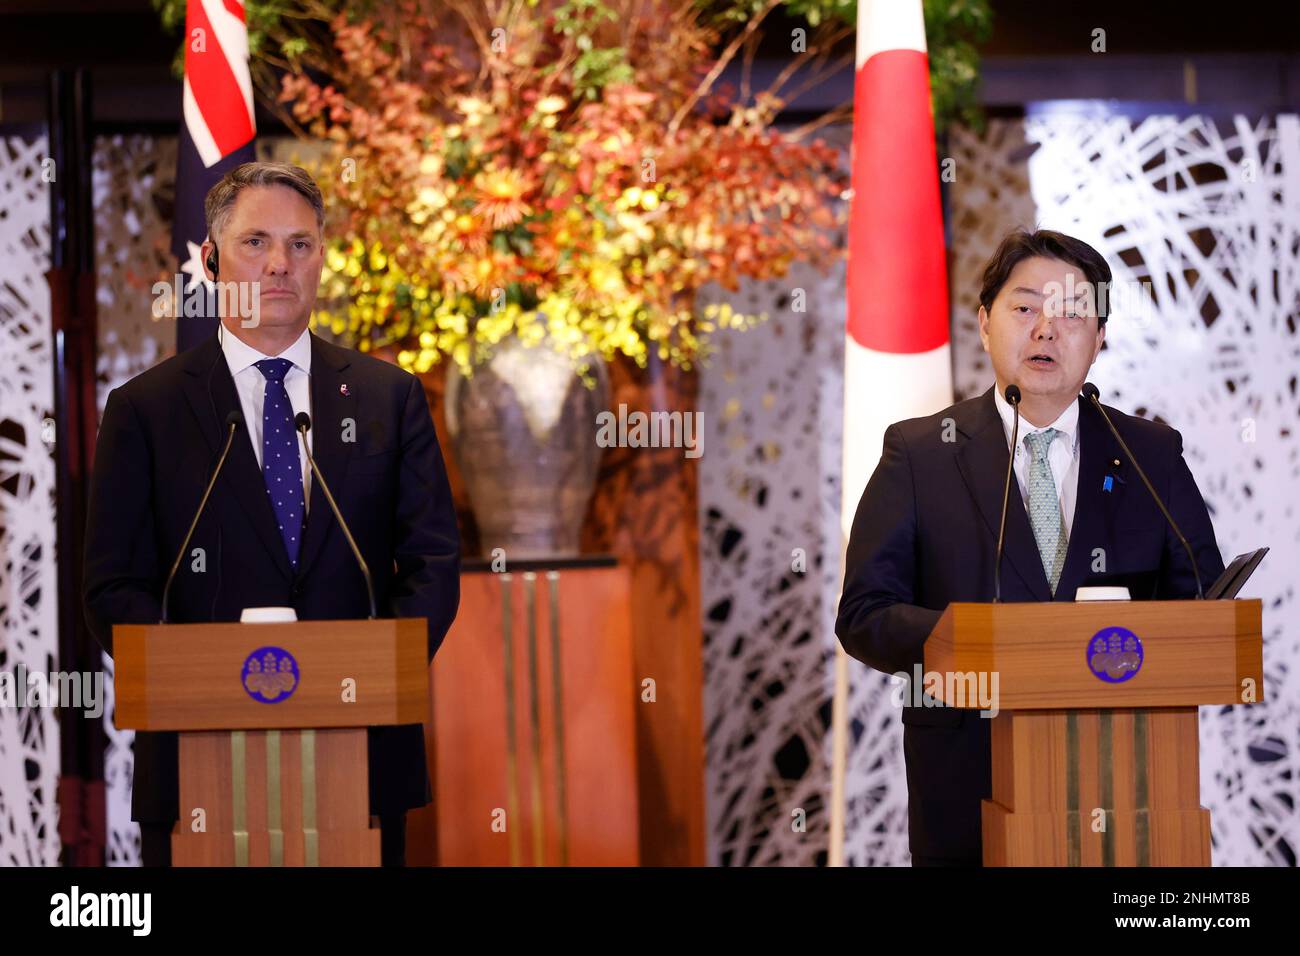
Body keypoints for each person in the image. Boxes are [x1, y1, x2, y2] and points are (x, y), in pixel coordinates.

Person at [83, 161, 461, 867]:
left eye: (301, 244)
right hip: (196, 762)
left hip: (365, 758)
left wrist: (375, 669)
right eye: (256, 242)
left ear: (321, 259)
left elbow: (433, 565)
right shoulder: (145, 411)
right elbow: (112, 588)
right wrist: (195, 673)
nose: (280, 264)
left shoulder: (389, 399)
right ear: (210, 259)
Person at [835, 228, 1224, 866]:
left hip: (1126, 787)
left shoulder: (1150, 453)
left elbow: (1200, 609)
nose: (1047, 327)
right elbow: (865, 615)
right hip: (968, 786)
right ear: (985, 323)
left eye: (1072, 312)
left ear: (1100, 338)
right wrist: (971, 643)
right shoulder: (920, 453)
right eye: (1025, 307)